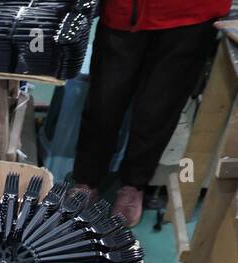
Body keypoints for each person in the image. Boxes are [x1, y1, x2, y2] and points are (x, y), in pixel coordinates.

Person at [73, 0, 228, 227]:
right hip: (125, 12)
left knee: (157, 110)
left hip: (191, 15)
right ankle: (86, 180)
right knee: (103, 104)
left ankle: (134, 186)